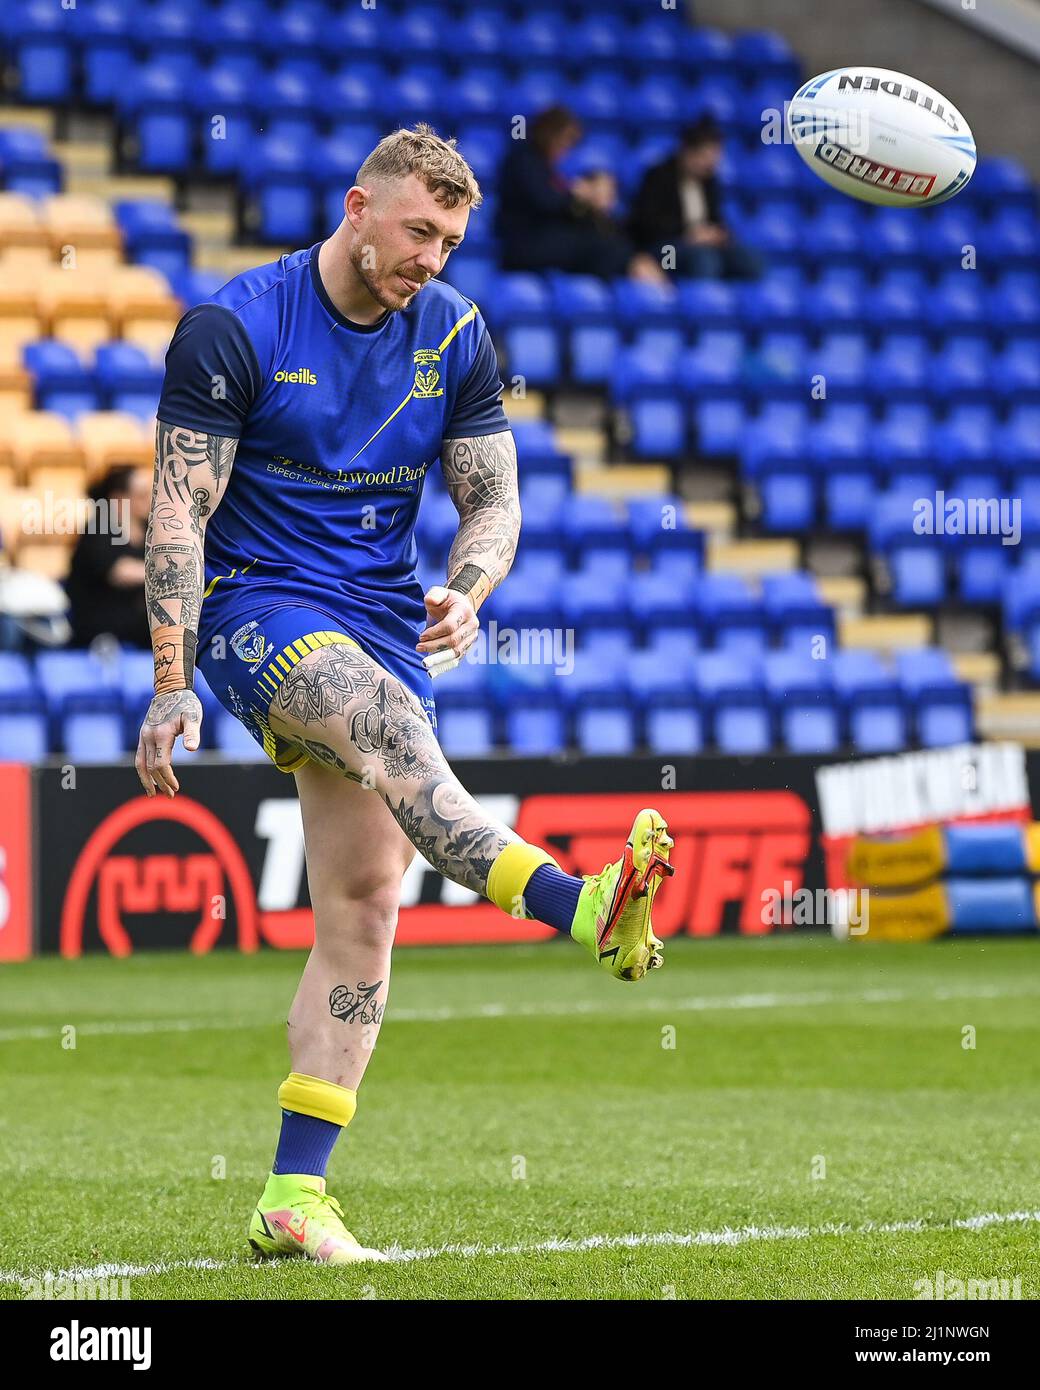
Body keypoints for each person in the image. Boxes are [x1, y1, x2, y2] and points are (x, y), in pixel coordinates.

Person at [135, 124, 675, 1265]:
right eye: (417, 230)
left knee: (365, 909)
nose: (432, 256)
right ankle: (584, 905)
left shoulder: (456, 335)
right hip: (255, 610)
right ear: (356, 208)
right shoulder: (236, 327)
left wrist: (471, 586)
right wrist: (169, 683)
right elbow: (177, 513)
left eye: (449, 238)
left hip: (381, 618)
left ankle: (292, 1194)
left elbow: (493, 499)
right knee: (387, 729)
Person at [496, 105, 666, 283]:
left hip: (545, 238)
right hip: (525, 245)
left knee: (607, 236)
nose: (566, 149)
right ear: (549, 134)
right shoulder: (523, 160)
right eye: (564, 140)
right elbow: (547, 203)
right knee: (604, 246)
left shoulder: (540, 164)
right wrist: (580, 194)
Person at [629, 117, 761, 280]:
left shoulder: (710, 181)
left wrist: (716, 234)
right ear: (688, 152)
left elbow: (716, 218)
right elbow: (647, 225)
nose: (711, 163)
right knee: (704, 260)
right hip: (665, 250)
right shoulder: (658, 177)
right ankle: (701, 302)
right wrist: (688, 234)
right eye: (706, 156)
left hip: (703, 246)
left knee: (749, 261)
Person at [65, 463, 151, 648]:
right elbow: (120, 572)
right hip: (100, 624)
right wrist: (165, 575)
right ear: (119, 499)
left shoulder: (149, 530)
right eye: (142, 495)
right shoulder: (100, 527)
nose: (150, 500)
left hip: (138, 623)